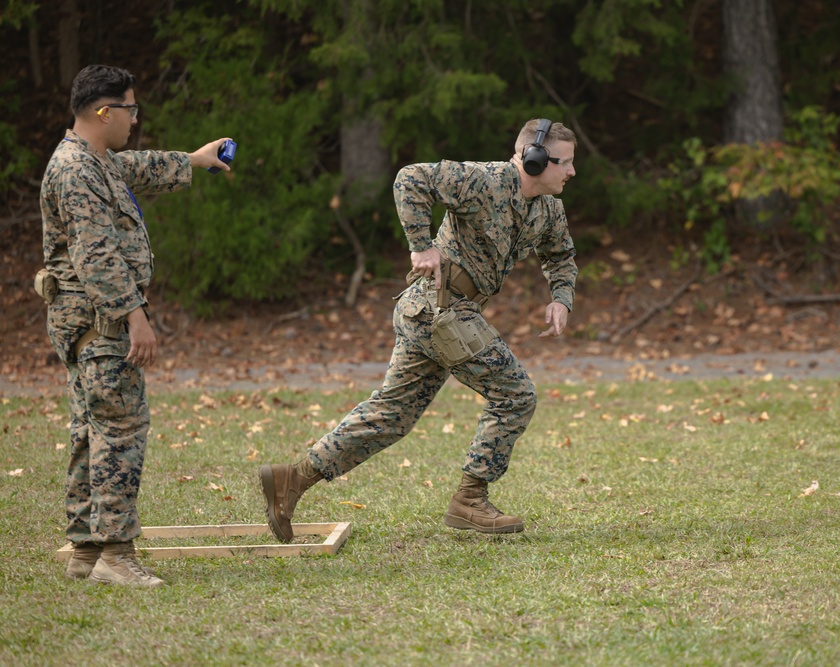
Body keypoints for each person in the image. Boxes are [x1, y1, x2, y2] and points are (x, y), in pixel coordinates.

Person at [259, 118, 579, 540]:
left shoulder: (547, 208)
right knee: (516, 394)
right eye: (565, 163)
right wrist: (420, 244)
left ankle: (292, 480)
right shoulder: (482, 180)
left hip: (440, 312)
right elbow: (410, 178)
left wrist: (560, 297)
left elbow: (560, 255)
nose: (572, 172)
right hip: (437, 308)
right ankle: (469, 500)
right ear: (535, 161)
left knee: (390, 416)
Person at [38, 64, 233, 588]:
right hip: (101, 321)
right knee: (121, 430)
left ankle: (85, 548)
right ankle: (116, 556)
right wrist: (135, 318)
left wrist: (193, 162)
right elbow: (96, 255)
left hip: (89, 319)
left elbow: (137, 167)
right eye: (130, 109)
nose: (135, 118)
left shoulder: (94, 158)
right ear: (104, 112)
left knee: (90, 427)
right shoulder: (77, 170)